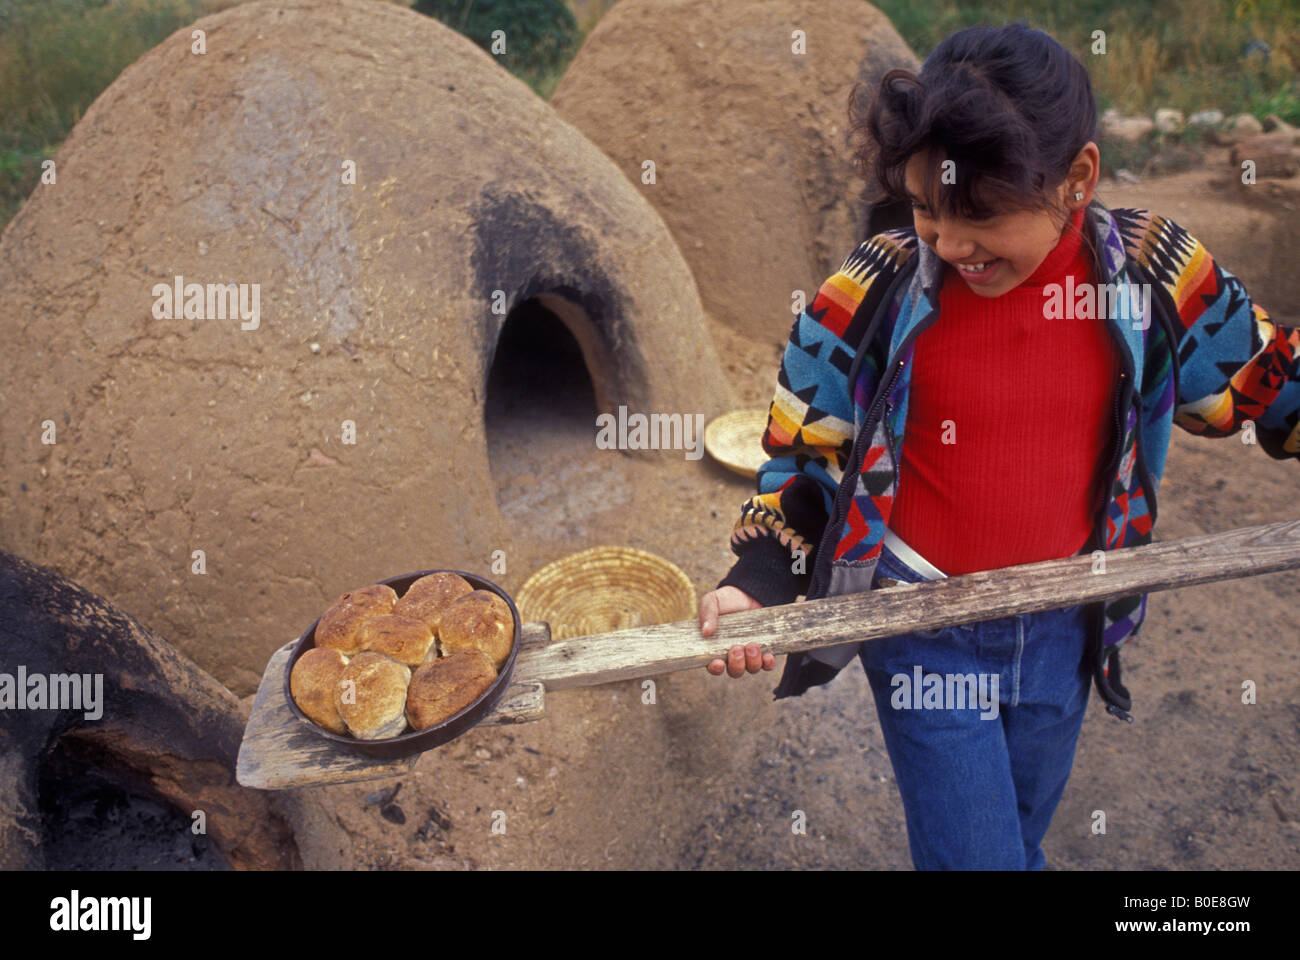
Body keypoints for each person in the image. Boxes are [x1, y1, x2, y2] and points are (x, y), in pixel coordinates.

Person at [696, 21, 1300, 869]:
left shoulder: (1154, 277)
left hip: (1068, 618)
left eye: (980, 214)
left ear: (1076, 179)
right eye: (925, 206)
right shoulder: (873, 290)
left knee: (1018, 830)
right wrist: (758, 579)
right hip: (921, 621)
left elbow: (1263, 379)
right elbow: (808, 453)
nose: (948, 243)